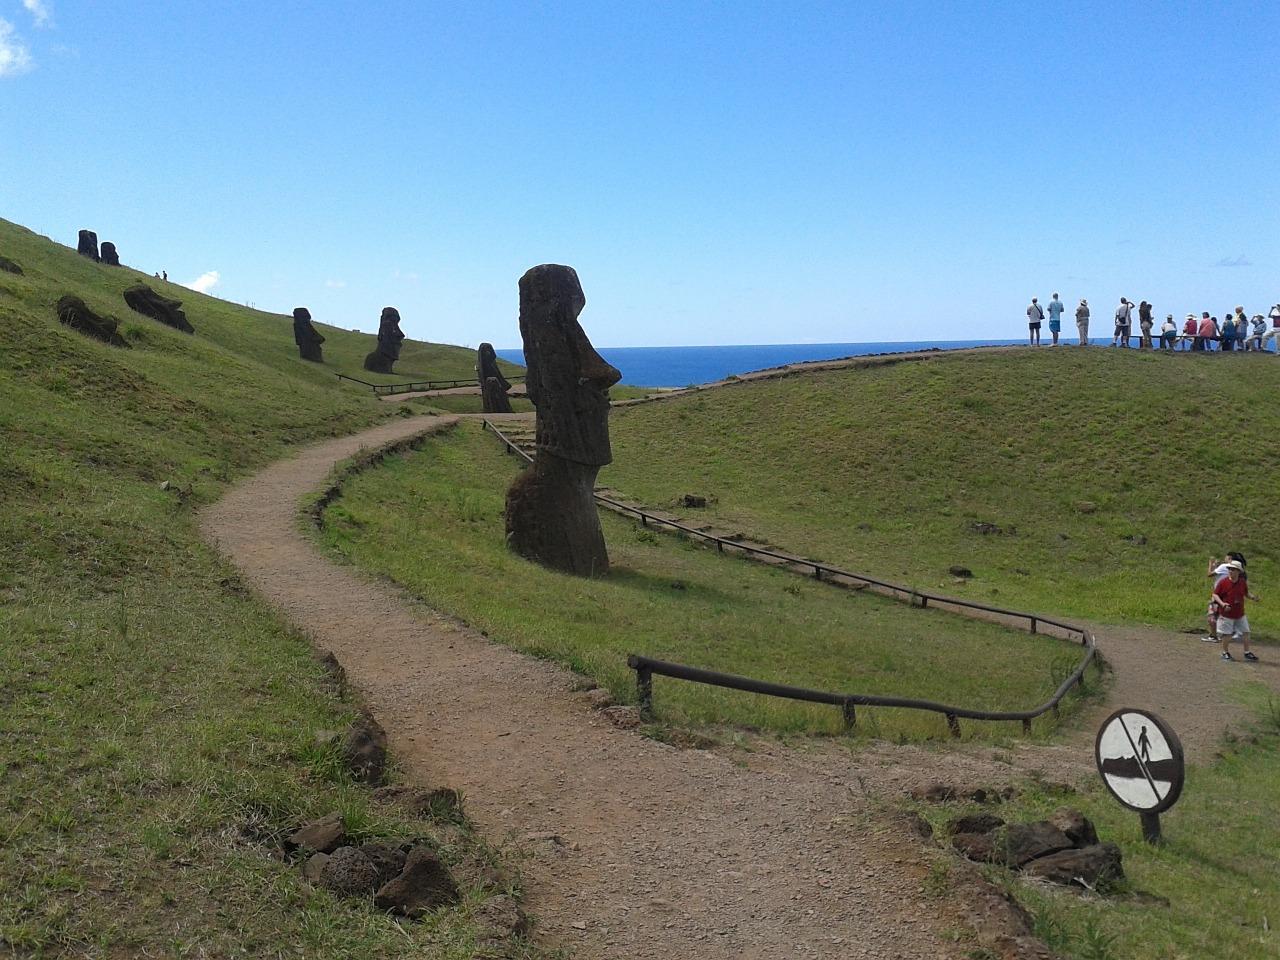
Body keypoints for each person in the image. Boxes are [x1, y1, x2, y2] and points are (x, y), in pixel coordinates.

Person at [1213, 560, 1260, 662]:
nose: (1230, 571)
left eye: (1233, 569)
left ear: (1238, 571)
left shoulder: (1242, 582)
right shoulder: (1223, 582)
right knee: (1227, 635)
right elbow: (1215, 595)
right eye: (1229, 569)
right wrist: (1222, 604)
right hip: (1226, 613)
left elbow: (1246, 593)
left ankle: (1247, 653)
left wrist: (1253, 597)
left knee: (1246, 632)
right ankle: (1225, 652)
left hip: (1240, 613)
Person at [1204, 552, 1247, 641]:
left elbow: (1209, 574)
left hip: (1219, 594)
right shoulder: (1237, 569)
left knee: (1211, 615)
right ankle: (1232, 633)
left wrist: (1211, 563)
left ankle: (1214, 636)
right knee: (1225, 615)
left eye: (1226, 557)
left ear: (1230, 558)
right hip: (1229, 594)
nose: (1224, 559)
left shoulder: (1224, 566)